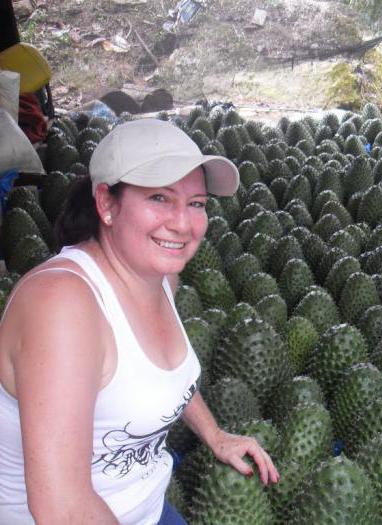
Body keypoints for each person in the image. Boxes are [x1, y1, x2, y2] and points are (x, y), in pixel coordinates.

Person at [0, 118, 279, 525]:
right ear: (106, 204)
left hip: (148, 508)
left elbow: (162, 379)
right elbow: (61, 507)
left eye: (197, 203)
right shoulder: (61, 305)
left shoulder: (160, 276)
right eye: (160, 199)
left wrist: (215, 435)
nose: (183, 223)